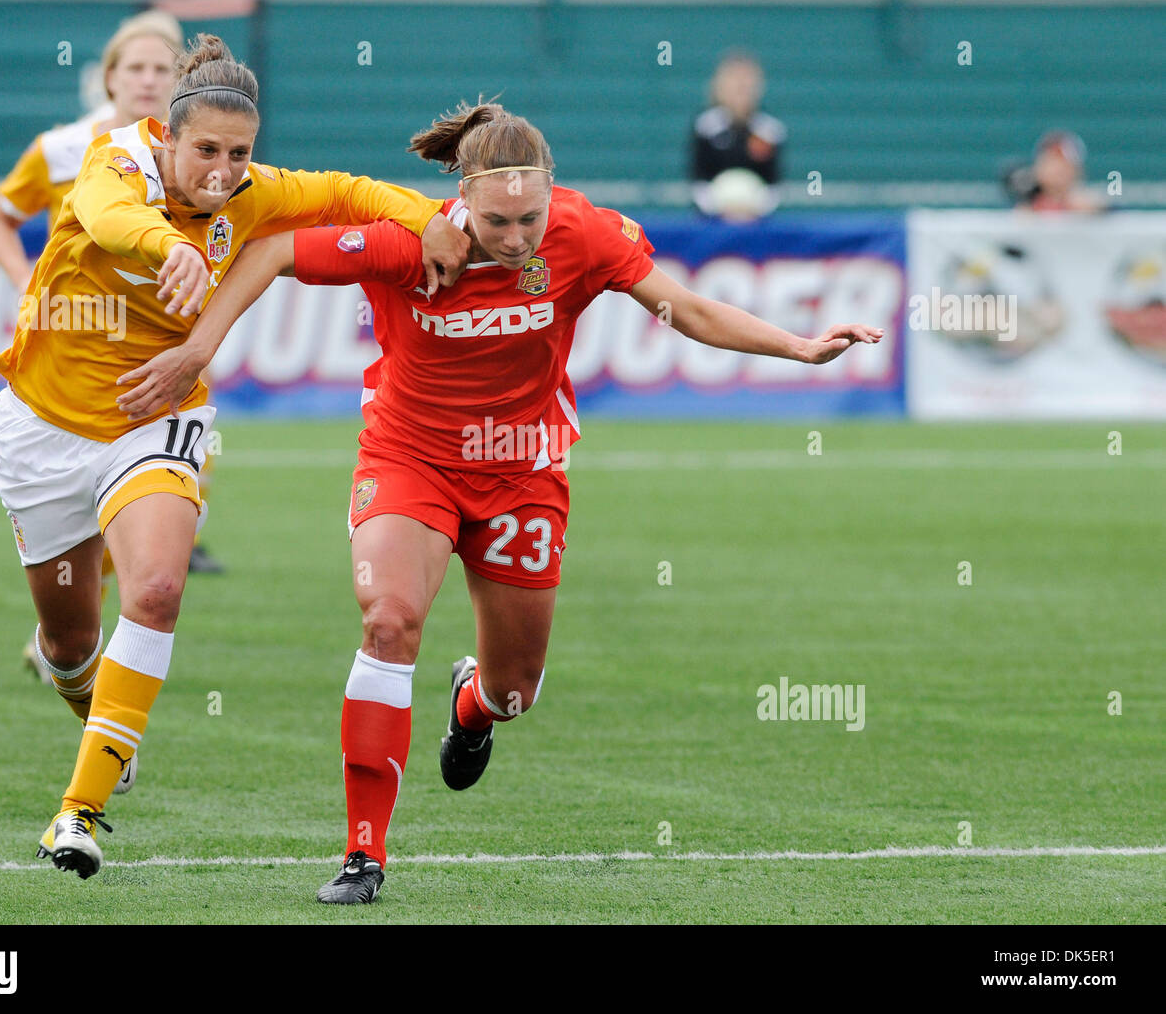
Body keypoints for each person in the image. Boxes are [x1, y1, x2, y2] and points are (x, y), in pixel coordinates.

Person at [115, 100, 882, 903]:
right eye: (496, 221)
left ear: (552, 198)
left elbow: (683, 308)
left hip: (523, 472)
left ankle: (474, 703)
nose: (516, 238)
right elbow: (271, 250)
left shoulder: (583, 235)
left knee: (515, 691)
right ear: (462, 202)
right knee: (388, 620)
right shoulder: (411, 244)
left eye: (529, 218)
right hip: (410, 459)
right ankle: (362, 853)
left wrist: (797, 345)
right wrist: (197, 349)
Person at [0, 34, 469, 879]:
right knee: (68, 644)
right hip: (43, 426)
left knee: (160, 587)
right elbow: (108, 217)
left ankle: (78, 811)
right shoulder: (112, 163)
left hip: (156, 420)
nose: (221, 169)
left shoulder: (251, 191)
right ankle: (101, 716)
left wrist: (428, 220)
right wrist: (163, 245)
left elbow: (350, 193)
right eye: (204, 150)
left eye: (237, 153)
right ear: (167, 137)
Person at [0, 11, 229, 692]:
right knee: (75, 590)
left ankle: (108, 656)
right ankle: (71, 645)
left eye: (161, 68)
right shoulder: (66, 149)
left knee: (169, 513)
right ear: (109, 76)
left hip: (155, 358)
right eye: (135, 68)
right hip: (70, 359)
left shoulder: (196, 153)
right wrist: (23, 280)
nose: (148, 80)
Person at [690, 51, 785, 220]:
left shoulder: (770, 130)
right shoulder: (705, 126)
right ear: (720, 85)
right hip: (712, 222)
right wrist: (720, 210)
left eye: (747, 81)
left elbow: (773, 185)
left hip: (757, 223)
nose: (741, 87)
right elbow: (698, 181)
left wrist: (754, 210)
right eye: (734, 81)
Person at [1003, 130, 1106, 213]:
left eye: (1064, 163)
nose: (1057, 169)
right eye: (1051, 161)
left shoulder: (1088, 204)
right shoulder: (1026, 204)